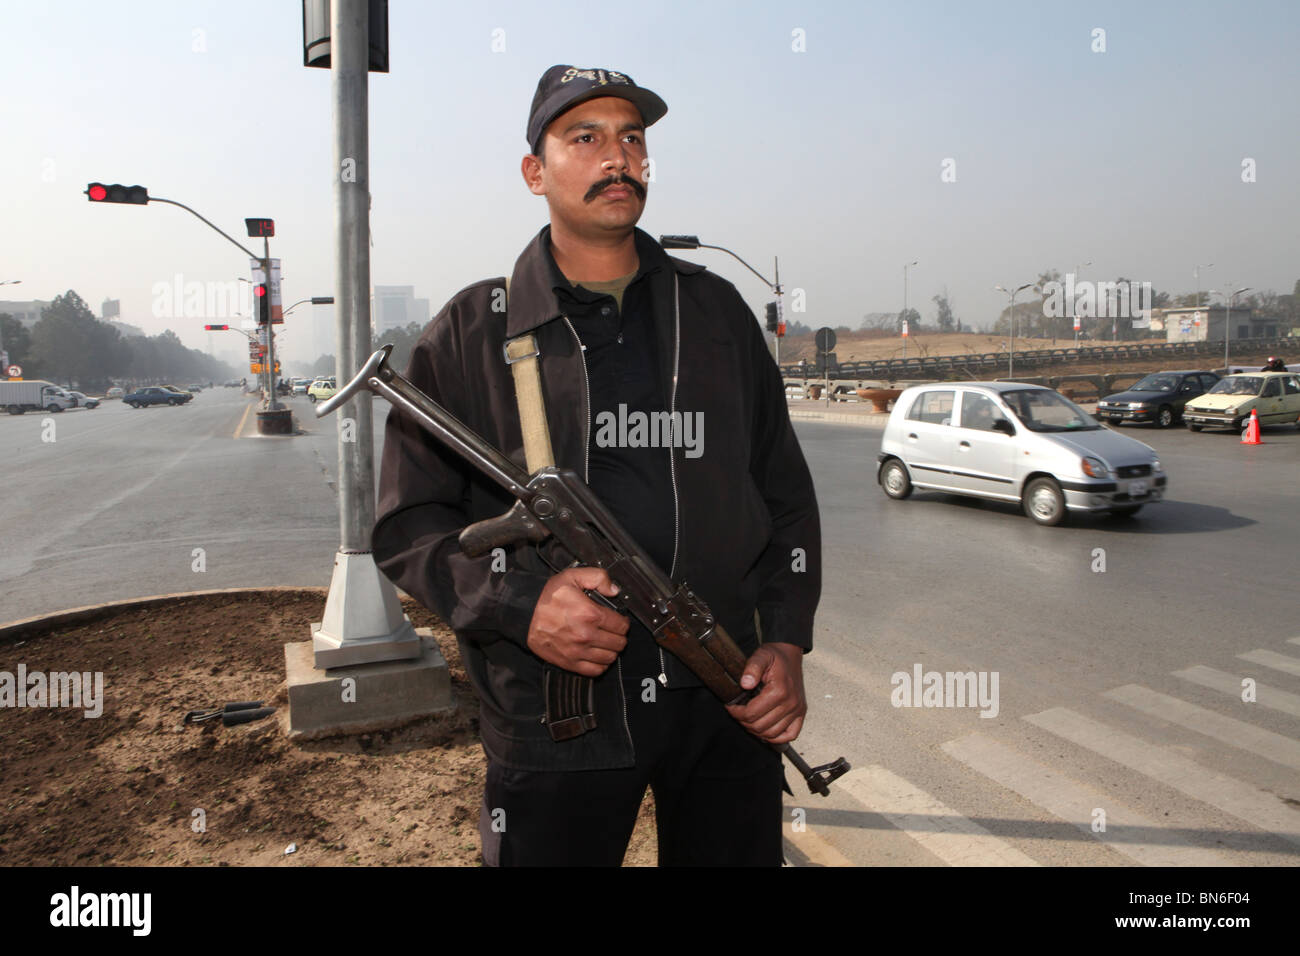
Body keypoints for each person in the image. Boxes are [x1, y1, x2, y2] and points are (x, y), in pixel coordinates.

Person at [373, 65, 821, 867]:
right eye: (586, 138)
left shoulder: (715, 313)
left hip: (727, 704)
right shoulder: (474, 332)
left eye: (633, 138)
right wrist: (519, 604)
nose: (618, 157)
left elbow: (784, 497)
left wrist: (785, 643)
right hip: (554, 717)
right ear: (535, 173)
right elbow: (410, 528)